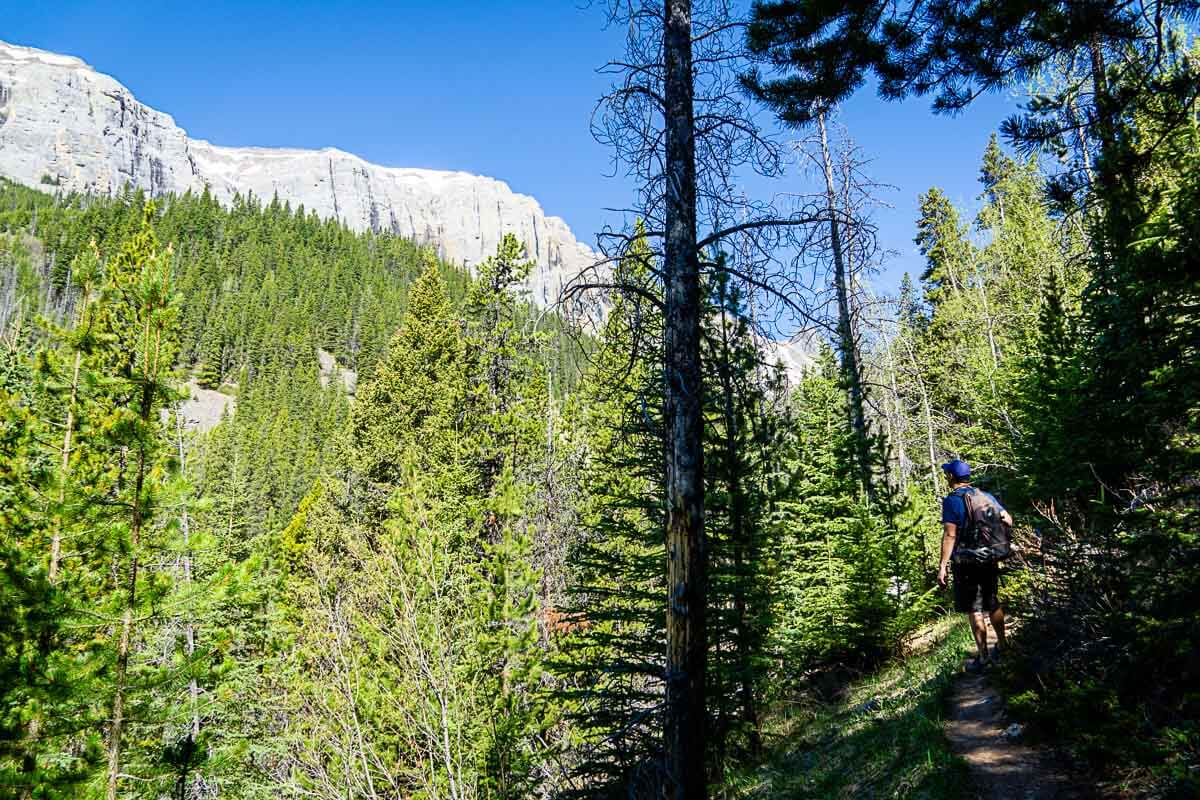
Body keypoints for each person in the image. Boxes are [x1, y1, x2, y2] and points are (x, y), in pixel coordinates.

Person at [936, 459, 1012, 673]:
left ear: (951, 477)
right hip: (989, 558)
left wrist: (943, 565)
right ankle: (1003, 645)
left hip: (966, 562)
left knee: (974, 608)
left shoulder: (951, 501)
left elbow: (950, 534)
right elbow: (1008, 519)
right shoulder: (985, 496)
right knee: (992, 601)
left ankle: (984, 656)